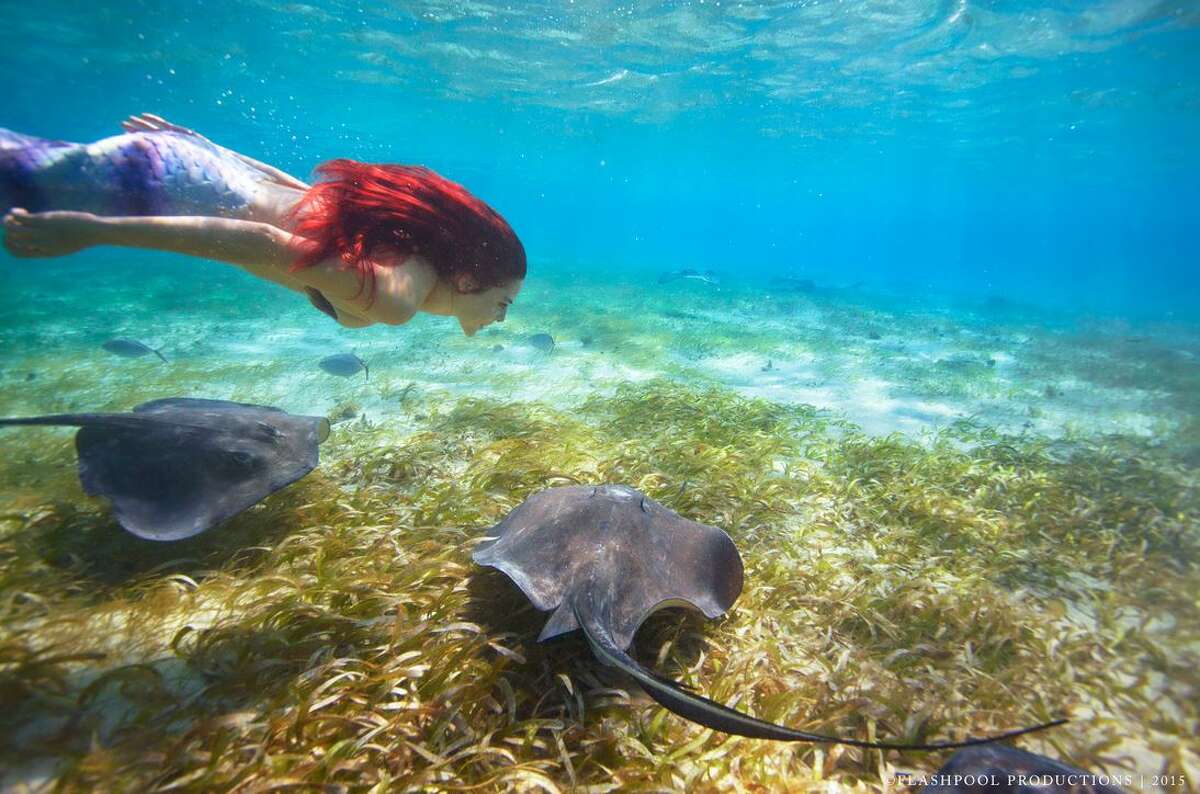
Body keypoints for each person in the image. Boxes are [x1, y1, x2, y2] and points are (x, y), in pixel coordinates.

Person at [1, 113, 525, 334]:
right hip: (163, 184)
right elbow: (262, 239)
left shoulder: (403, 251)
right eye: (501, 302)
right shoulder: (395, 294)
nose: (500, 319)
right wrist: (94, 230)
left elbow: (298, 195)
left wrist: (201, 145)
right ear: (466, 277)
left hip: (186, 166)